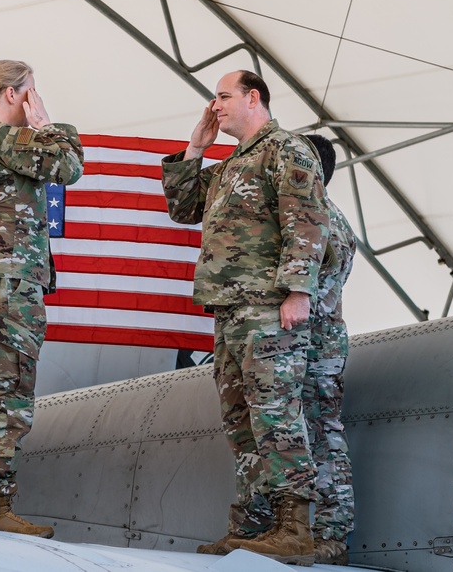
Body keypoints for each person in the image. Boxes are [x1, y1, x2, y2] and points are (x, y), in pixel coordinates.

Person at [162, 70, 329, 566]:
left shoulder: (286, 149)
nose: (215, 106)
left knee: (276, 414)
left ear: (253, 98)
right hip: (231, 309)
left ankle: (294, 528)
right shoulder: (231, 164)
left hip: (266, 306)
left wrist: (298, 291)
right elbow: (182, 208)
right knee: (242, 423)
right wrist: (195, 148)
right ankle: (252, 526)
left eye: (223, 96)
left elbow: (307, 220)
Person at [0, 60, 84, 538]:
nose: (35, 100)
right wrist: (47, 124)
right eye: (31, 92)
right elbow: (68, 166)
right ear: (12, 95)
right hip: (4, 284)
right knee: (5, 398)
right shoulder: (4, 138)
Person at [302, 133, 356, 566]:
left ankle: (332, 531)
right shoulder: (332, 218)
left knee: (322, 435)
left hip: (313, 341)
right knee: (316, 433)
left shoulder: (318, 219)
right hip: (322, 340)